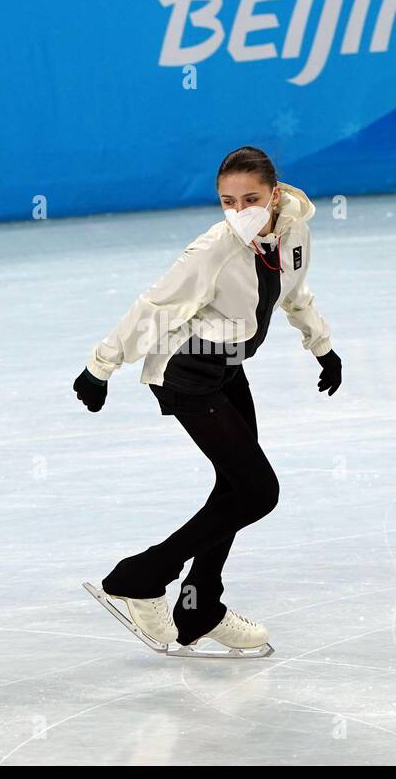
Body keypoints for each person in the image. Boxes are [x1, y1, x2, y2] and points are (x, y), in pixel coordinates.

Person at [72, 146, 341, 652]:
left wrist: (322, 347)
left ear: (275, 194)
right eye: (228, 201)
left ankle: (199, 607)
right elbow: (155, 306)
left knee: (235, 488)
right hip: (186, 370)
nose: (240, 211)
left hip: (226, 367)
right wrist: (100, 366)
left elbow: (295, 294)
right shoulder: (214, 248)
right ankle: (141, 576)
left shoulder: (294, 232)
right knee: (258, 492)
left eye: (251, 198)